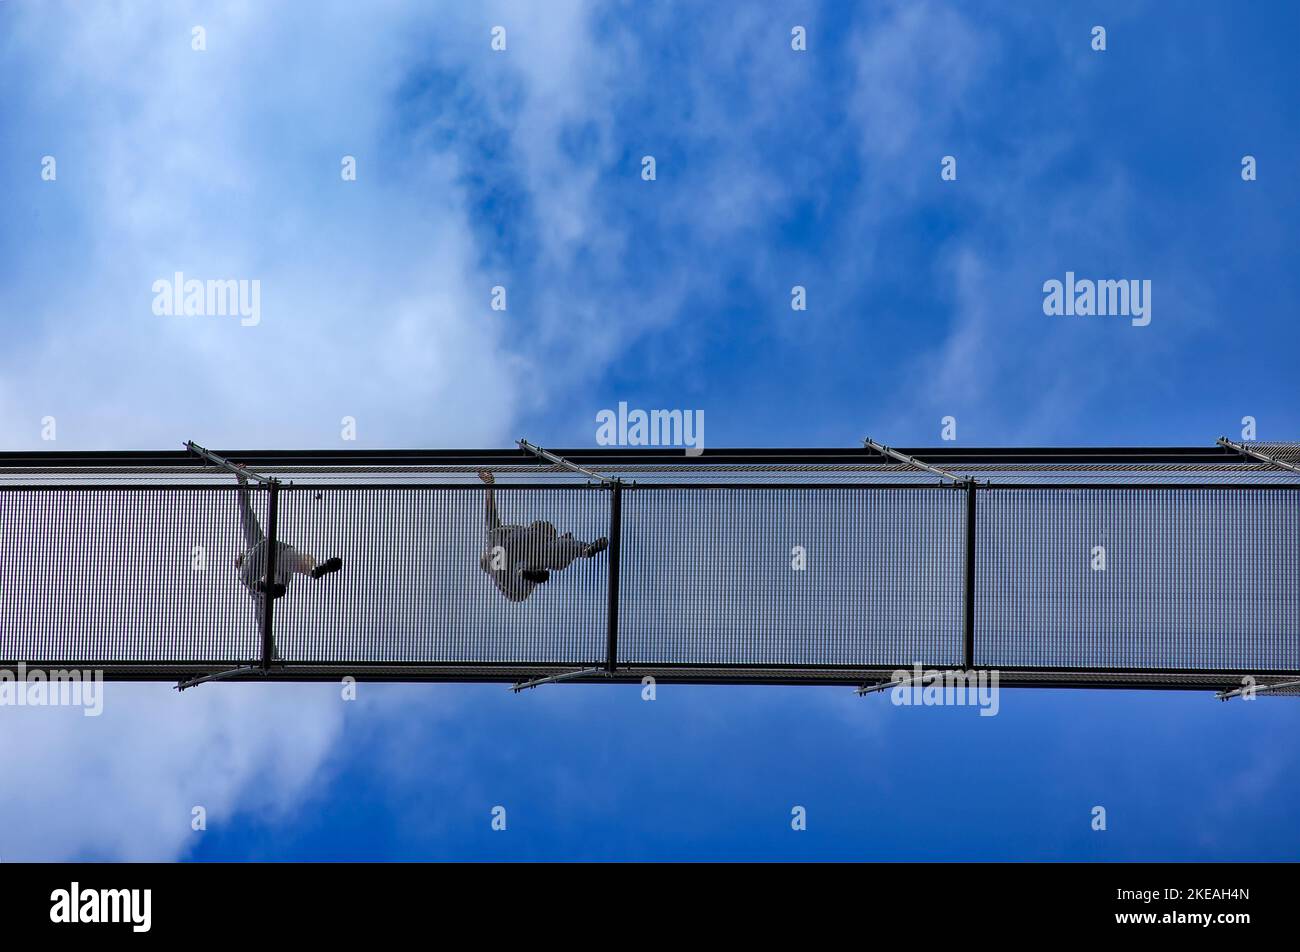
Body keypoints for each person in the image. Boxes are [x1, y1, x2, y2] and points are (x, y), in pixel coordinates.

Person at [477, 471, 607, 602]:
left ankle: (585, 550)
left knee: (530, 562)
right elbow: (490, 511)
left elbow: (490, 511)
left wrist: (489, 484)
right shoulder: (501, 538)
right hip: (512, 581)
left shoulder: (536, 548)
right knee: (540, 556)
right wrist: (489, 485)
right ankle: (584, 550)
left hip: (517, 578)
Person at [235, 474, 342, 601]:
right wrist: (241, 480)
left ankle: (268, 589)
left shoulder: (253, 549)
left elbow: (246, 513)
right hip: (278, 556)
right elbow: (246, 513)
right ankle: (313, 569)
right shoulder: (254, 542)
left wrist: (242, 480)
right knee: (296, 563)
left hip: (266, 561)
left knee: (255, 582)